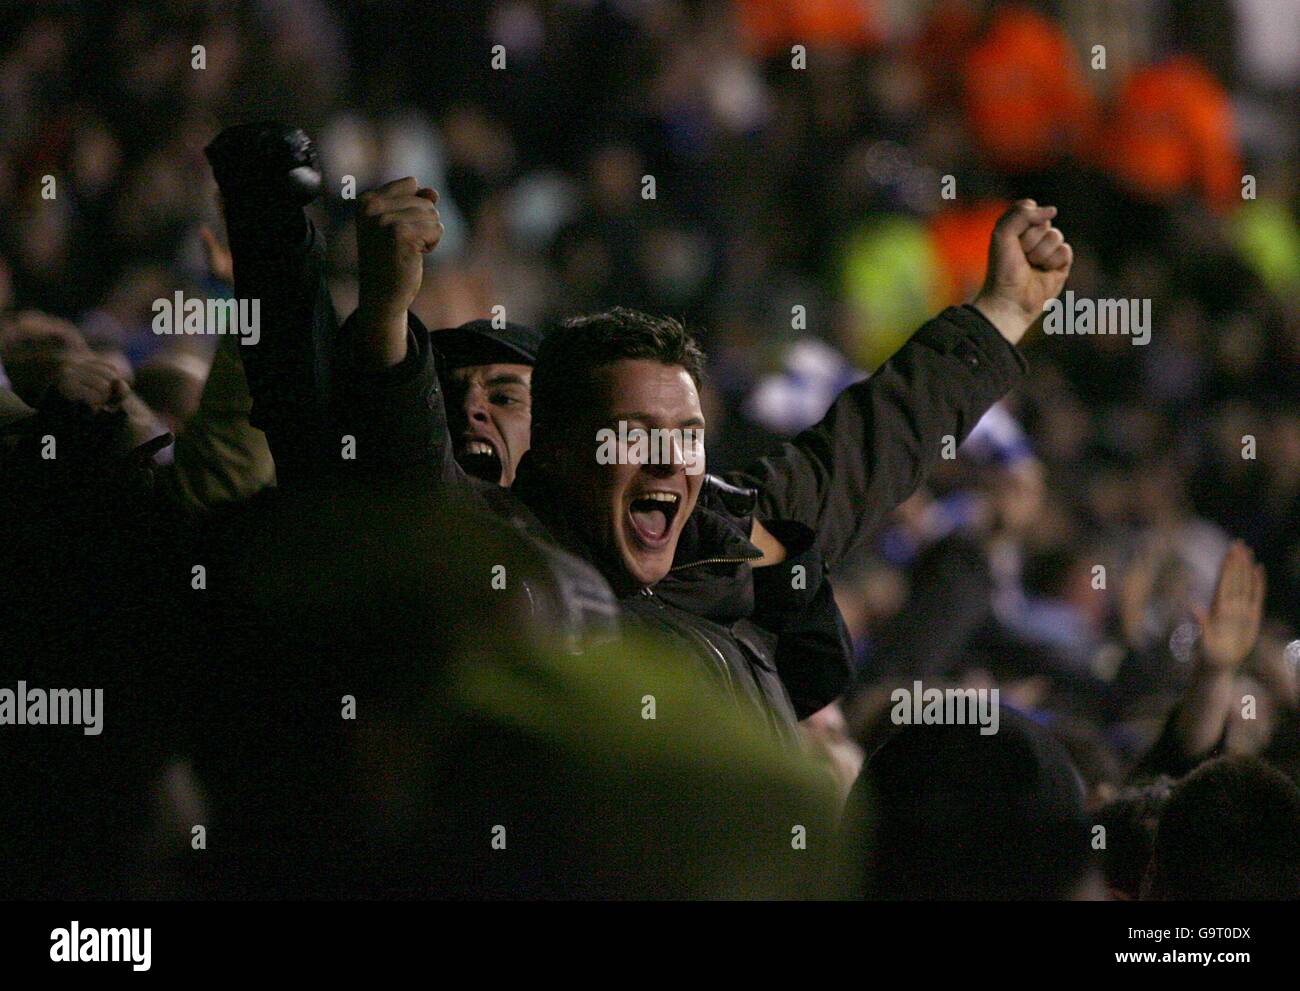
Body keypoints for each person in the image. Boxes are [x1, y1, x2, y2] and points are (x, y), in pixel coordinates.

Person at [206, 121, 1073, 740]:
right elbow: (390, 459)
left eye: (685, 435)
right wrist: (386, 308)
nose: (668, 459)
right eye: (632, 433)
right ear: (556, 447)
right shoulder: (487, 554)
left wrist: (996, 317)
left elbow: (861, 449)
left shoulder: (730, 534)